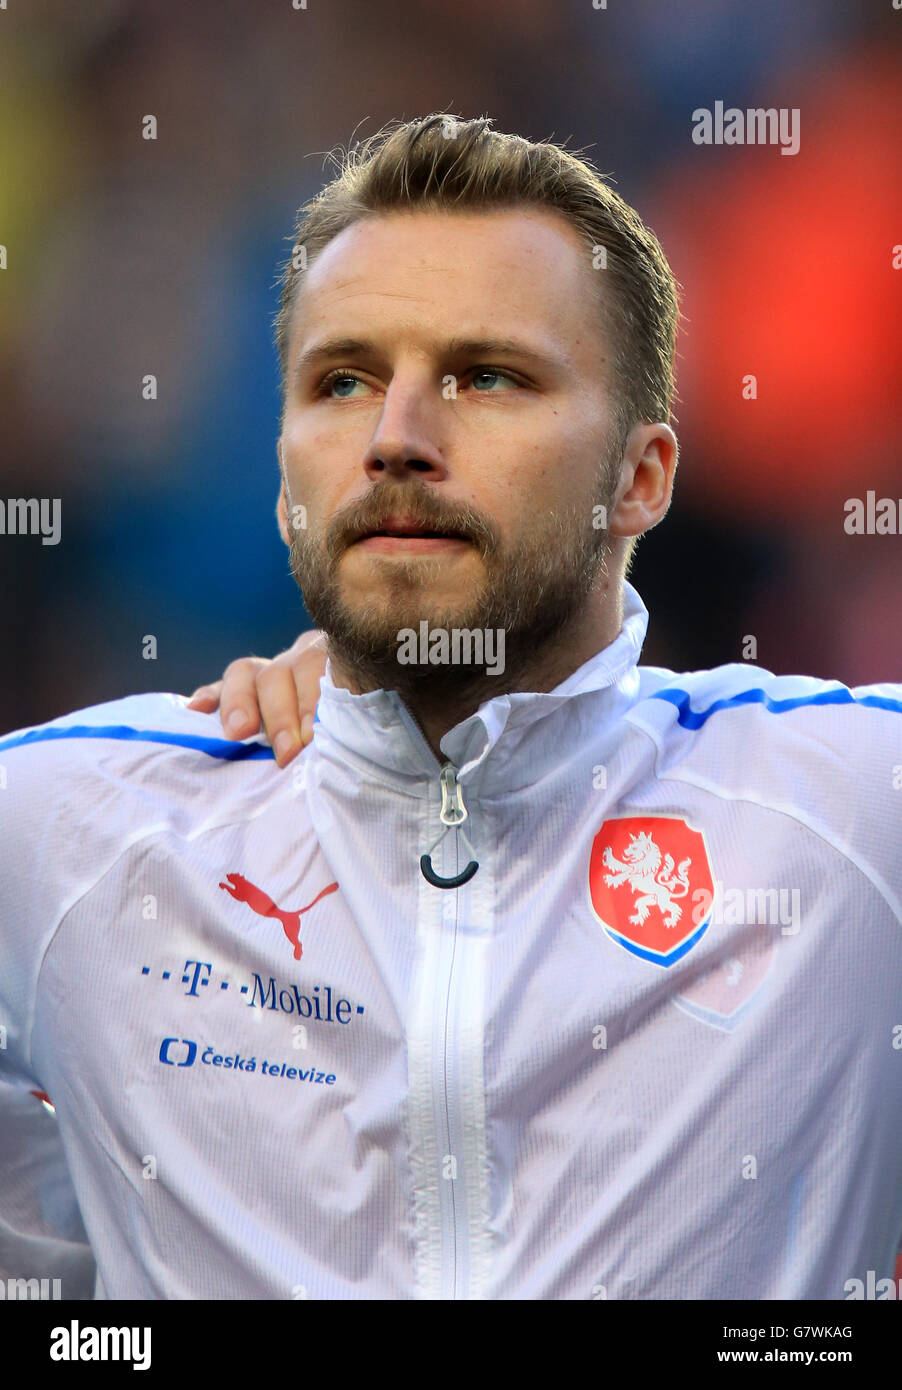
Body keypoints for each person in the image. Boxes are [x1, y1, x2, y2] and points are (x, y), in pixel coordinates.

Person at [1, 113, 900, 1301]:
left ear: (640, 479)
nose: (395, 439)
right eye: (342, 381)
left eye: (487, 377)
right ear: (281, 475)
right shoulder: (62, 830)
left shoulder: (845, 817)